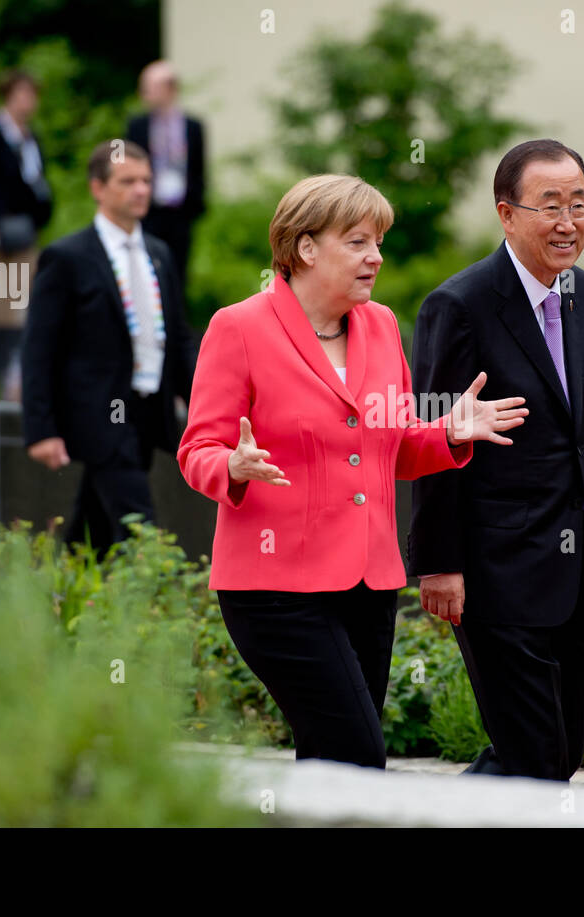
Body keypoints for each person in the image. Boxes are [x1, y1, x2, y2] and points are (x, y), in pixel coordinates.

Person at [177, 174, 528, 769]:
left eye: (379, 243)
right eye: (360, 242)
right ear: (306, 248)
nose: (377, 258)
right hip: (274, 589)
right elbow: (196, 450)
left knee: (330, 767)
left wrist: (447, 432)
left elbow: (392, 449)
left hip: (368, 583)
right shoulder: (238, 327)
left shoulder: (382, 325)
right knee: (358, 756)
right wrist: (232, 465)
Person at [408, 139, 584, 782]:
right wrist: (439, 564)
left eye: (578, 204)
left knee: (557, 756)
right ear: (507, 215)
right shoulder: (457, 306)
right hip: (495, 571)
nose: (568, 222)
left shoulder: (582, 293)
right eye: (549, 207)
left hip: (570, 568)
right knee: (536, 758)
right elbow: (435, 440)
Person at [21, 140, 197, 555]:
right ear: (98, 188)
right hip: (97, 415)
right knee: (140, 528)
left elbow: (178, 337)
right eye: (127, 181)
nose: (140, 190)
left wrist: (204, 400)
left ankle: (59, 601)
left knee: (93, 532)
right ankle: (156, 601)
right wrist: (41, 429)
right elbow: (38, 348)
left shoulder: (159, 254)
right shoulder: (67, 257)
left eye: (146, 181)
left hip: (148, 412)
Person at [0, 69, 53, 401]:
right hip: (1, 229)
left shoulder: (30, 138)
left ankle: (9, 372)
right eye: (22, 94)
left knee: (19, 294)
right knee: (9, 294)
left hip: (26, 229)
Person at [127, 60, 206, 290]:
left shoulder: (192, 126)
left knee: (179, 272)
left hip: (181, 211)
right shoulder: (138, 125)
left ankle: (176, 322)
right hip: (149, 209)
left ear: (169, 89)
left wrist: (195, 202)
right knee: (149, 269)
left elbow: (198, 168)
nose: (145, 93)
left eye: (150, 87)